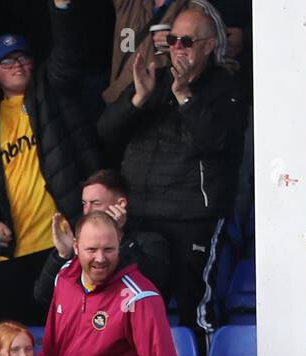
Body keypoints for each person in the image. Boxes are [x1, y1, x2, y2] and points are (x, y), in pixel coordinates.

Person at [97, 1, 246, 333]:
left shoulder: (226, 86)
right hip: (143, 213)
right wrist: (138, 98)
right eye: (172, 39)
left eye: (187, 41)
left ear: (208, 46)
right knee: (141, 310)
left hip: (194, 215)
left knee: (196, 309)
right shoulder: (155, 79)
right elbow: (106, 132)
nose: (177, 47)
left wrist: (184, 97)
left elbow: (214, 141)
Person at [0, 5, 104, 324]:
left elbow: (68, 52)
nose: (16, 64)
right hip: (13, 249)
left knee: (70, 328)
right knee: (17, 339)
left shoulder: (50, 90)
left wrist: (62, 8)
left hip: (61, 241)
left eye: (22, 57)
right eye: (7, 60)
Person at [35, 211, 183, 356]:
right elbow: (49, 354)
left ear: (119, 243)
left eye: (108, 249)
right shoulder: (64, 278)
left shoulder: (138, 297)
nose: (100, 258)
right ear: (76, 247)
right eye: (91, 249)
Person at [33, 168, 171, 310]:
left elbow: (150, 287)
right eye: (84, 204)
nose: (87, 211)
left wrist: (119, 238)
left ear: (121, 204)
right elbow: (43, 297)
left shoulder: (149, 241)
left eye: (96, 203)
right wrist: (63, 256)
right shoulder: (80, 245)